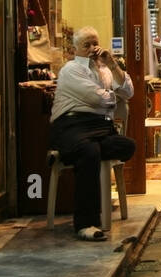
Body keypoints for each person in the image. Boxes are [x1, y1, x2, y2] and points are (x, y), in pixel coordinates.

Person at [49, 26, 136, 241]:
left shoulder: (105, 70)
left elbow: (128, 91)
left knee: (127, 146)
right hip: (72, 126)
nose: (92, 48)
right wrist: (114, 98)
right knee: (89, 152)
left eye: (95, 43)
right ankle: (86, 224)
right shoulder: (71, 70)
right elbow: (97, 98)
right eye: (86, 44)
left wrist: (113, 64)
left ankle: (93, 152)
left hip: (99, 128)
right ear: (75, 48)